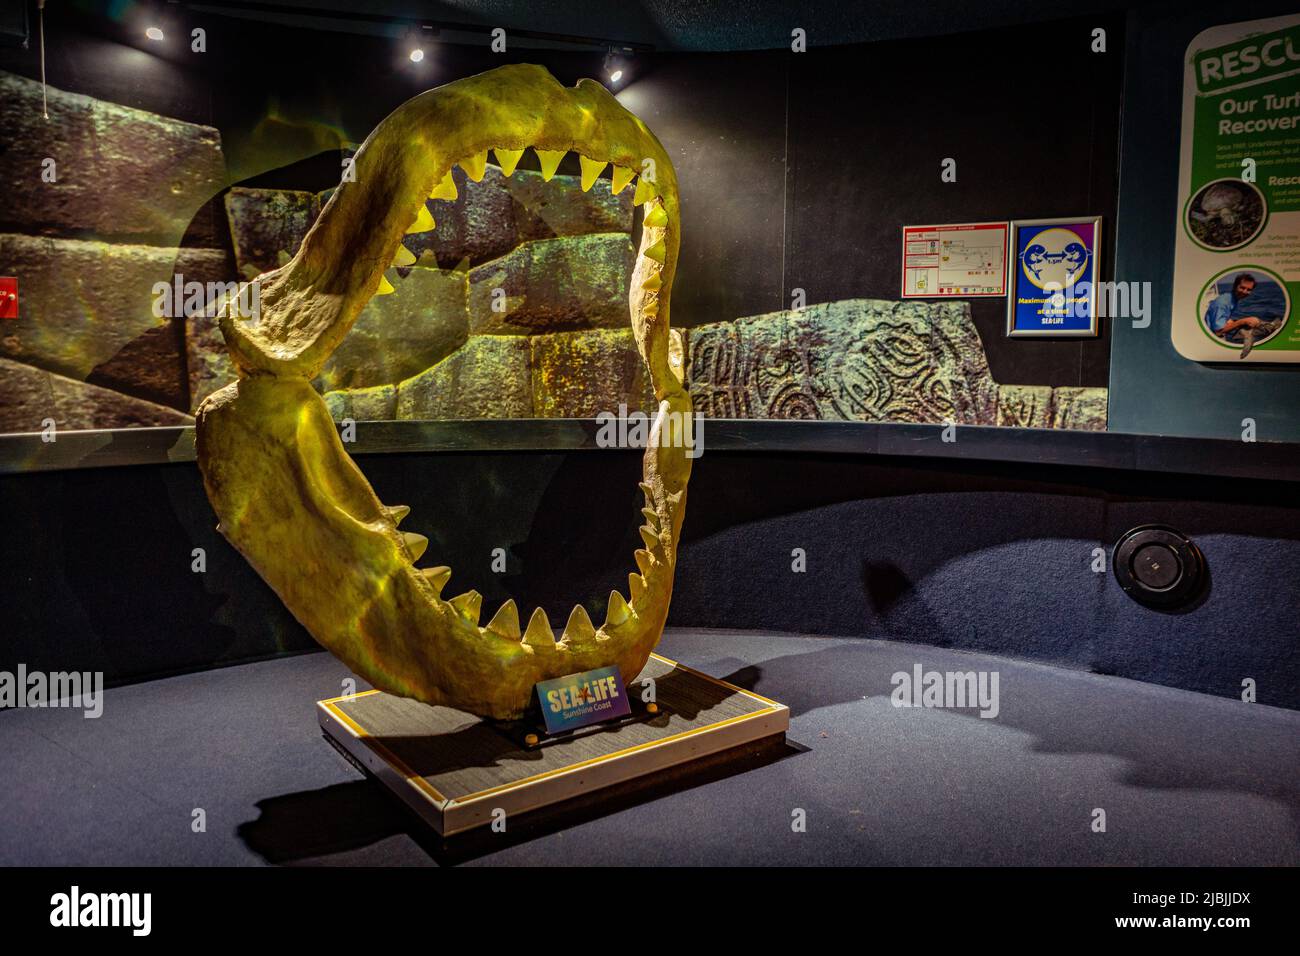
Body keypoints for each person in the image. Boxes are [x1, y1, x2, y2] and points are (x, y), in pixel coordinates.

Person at [1204, 274, 1264, 340]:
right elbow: (1218, 332)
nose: (1244, 291)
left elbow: (1224, 317)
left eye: (1249, 290)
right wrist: (1243, 321)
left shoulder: (1232, 299)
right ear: (1235, 286)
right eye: (1242, 288)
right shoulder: (1223, 302)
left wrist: (1239, 324)